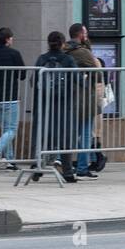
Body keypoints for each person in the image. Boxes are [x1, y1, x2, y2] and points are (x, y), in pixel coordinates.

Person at [33, 31, 77, 183]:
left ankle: (37, 167)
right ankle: (68, 171)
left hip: (44, 103)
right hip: (64, 103)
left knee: (42, 135)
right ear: (63, 43)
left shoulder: (42, 59)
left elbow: (34, 81)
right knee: (65, 136)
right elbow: (77, 78)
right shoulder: (68, 59)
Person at [0, 26, 26, 169]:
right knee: (12, 129)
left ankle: (10, 160)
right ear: (8, 39)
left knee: (5, 129)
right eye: (11, 37)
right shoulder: (14, 53)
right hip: (11, 96)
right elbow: (23, 75)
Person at [63, 23, 101, 179]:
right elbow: (97, 75)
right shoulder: (83, 52)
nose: (87, 35)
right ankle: (82, 166)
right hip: (85, 98)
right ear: (80, 35)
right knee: (85, 133)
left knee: (71, 134)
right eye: (85, 33)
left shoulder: (64, 50)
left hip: (69, 98)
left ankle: (62, 161)